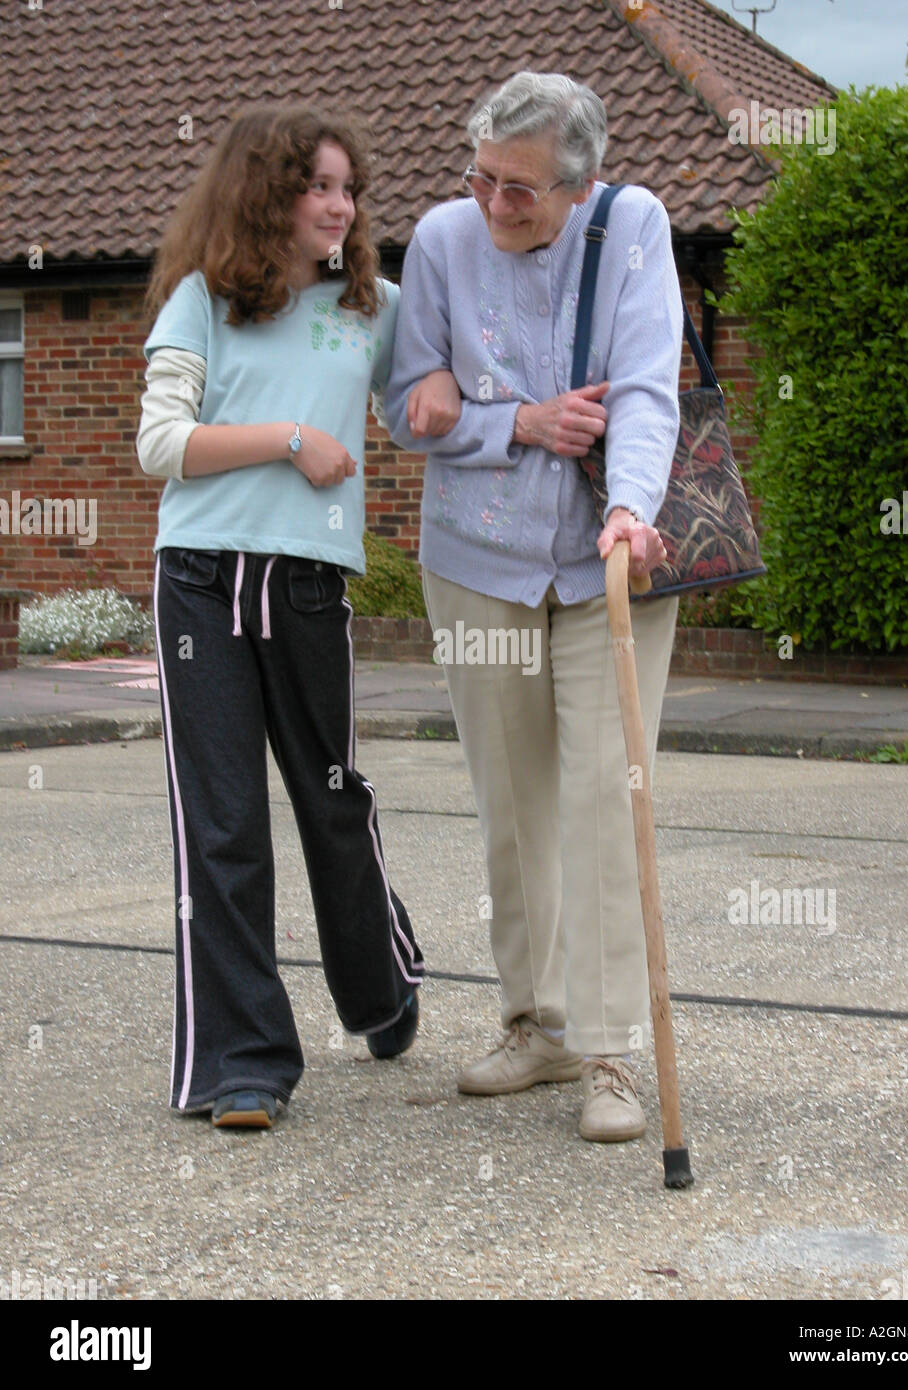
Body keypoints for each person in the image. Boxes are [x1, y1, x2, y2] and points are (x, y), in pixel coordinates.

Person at [136, 105, 456, 1128]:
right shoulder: (200, 301)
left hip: (307, 583)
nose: (338, 205)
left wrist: (448, 385)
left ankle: (377, 984)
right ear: (264, 193)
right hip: (197, 583)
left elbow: (425, 403)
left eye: (347, 188)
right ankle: (245, 1062)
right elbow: (160, 442)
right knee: (222, 820)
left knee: (329, 800)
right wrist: (285, 438)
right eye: (316, 185)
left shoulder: (369, 304)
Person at [385, 71, 683, 1143]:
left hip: (609, 558)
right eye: (482, 178)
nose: (494, 205)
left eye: (520, 190)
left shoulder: (634, 225)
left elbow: (646, 384)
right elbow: (407, 398)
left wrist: (633, 508)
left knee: (606, 796)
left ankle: (609, 1050)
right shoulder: (439, 240)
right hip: (477, 558)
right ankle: (534, 1022)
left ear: (581, 182)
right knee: (510, 802)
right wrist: (510, 421)